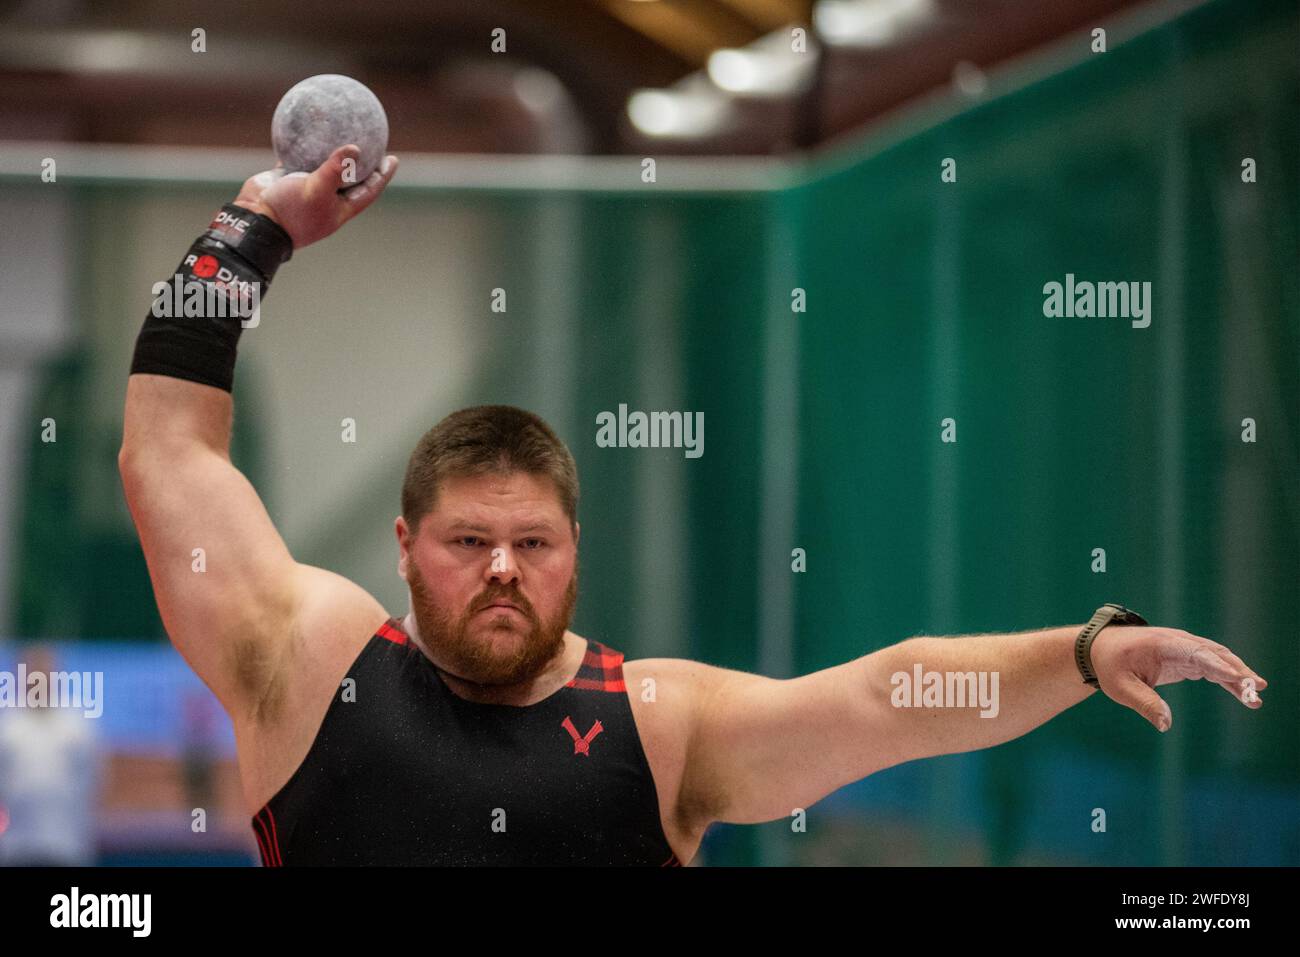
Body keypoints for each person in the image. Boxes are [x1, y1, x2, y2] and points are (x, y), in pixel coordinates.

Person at [117, 145, 1268, 865]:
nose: (504, 569)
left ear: (577, 552)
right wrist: (248, 232)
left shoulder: (661, 726)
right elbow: (169, 452)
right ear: (407, 546)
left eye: (534, 543)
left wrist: (1078, 651)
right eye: (471, 542)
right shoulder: (307, 659)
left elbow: (892, 696)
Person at [0, 645, 103, 866]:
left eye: (45, 675)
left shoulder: (77, 727)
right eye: (32, 675)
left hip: (67, 845)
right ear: (22, 678)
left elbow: (96, 782)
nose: (38, 682)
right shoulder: (7, 727)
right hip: (17, 847)